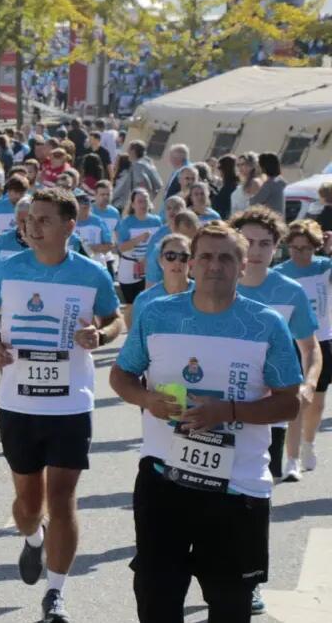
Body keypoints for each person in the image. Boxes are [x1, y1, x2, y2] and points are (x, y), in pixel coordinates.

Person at [110, 223, 301, 623]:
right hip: (164, 478)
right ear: (192, 264)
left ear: (242, 265)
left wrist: (227, 411)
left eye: (226, 257)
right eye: (207, 257)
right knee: (157, 602)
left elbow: (289, 403)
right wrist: (146, 399)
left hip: (237, 487)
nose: (215, 265)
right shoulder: (158, 314)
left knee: (230, 607)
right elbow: (122, 374)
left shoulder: (266, 324)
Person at [0, 188, 124, 623]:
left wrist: (102, 335)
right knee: (28, 505)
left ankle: (56, 593)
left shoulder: (91, 274)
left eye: (44, 220)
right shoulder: (8, 269)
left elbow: (116, 318)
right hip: (19, 403)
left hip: (70, 403)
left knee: (62, 497)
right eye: (29, 219)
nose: (32, 227)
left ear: (69, 226)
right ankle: (33, 538)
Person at [230, 207, 321, 498]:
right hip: (217, 405)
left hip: (268, 411)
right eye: (248, 242)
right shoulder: (214, 284)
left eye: (264, 243)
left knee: (256, 494)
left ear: (276, 247)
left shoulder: (291, 292)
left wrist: (309, 385)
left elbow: (311, 348)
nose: (255, 251)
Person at [275, 219, 331, 477]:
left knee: (316, 404)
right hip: (292, 344)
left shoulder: (325, 267)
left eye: (306, 248)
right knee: (297, 403)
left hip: (322, 342)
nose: (300, 253)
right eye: (295, 248)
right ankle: (292, 460)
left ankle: (308, 444)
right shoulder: (280, 273)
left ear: (315, 247)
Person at [115, 189, 163, 312]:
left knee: (150, 305)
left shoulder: (157, 221)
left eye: (146, 201)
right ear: (133, 205)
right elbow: (121, 247)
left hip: (151, 269)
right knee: (132, 307)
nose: (143, 204)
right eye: (140, 201)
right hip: (130, 269)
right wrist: (139, 239)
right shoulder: (126, 222)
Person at [130, 233, 193, 327]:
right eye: (170, 256)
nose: (177, 262)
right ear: (160, 260)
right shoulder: (144, 300)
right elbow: (137, 335)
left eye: (183, 257)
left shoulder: (204, 295)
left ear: (191, 261)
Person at [249, 152, 286, 217]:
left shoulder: (269, 184)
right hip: (280, 219)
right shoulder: (281, 181)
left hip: (271, 220)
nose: (256, 168)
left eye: (258, 165)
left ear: (263, 167)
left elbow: (253, 202)